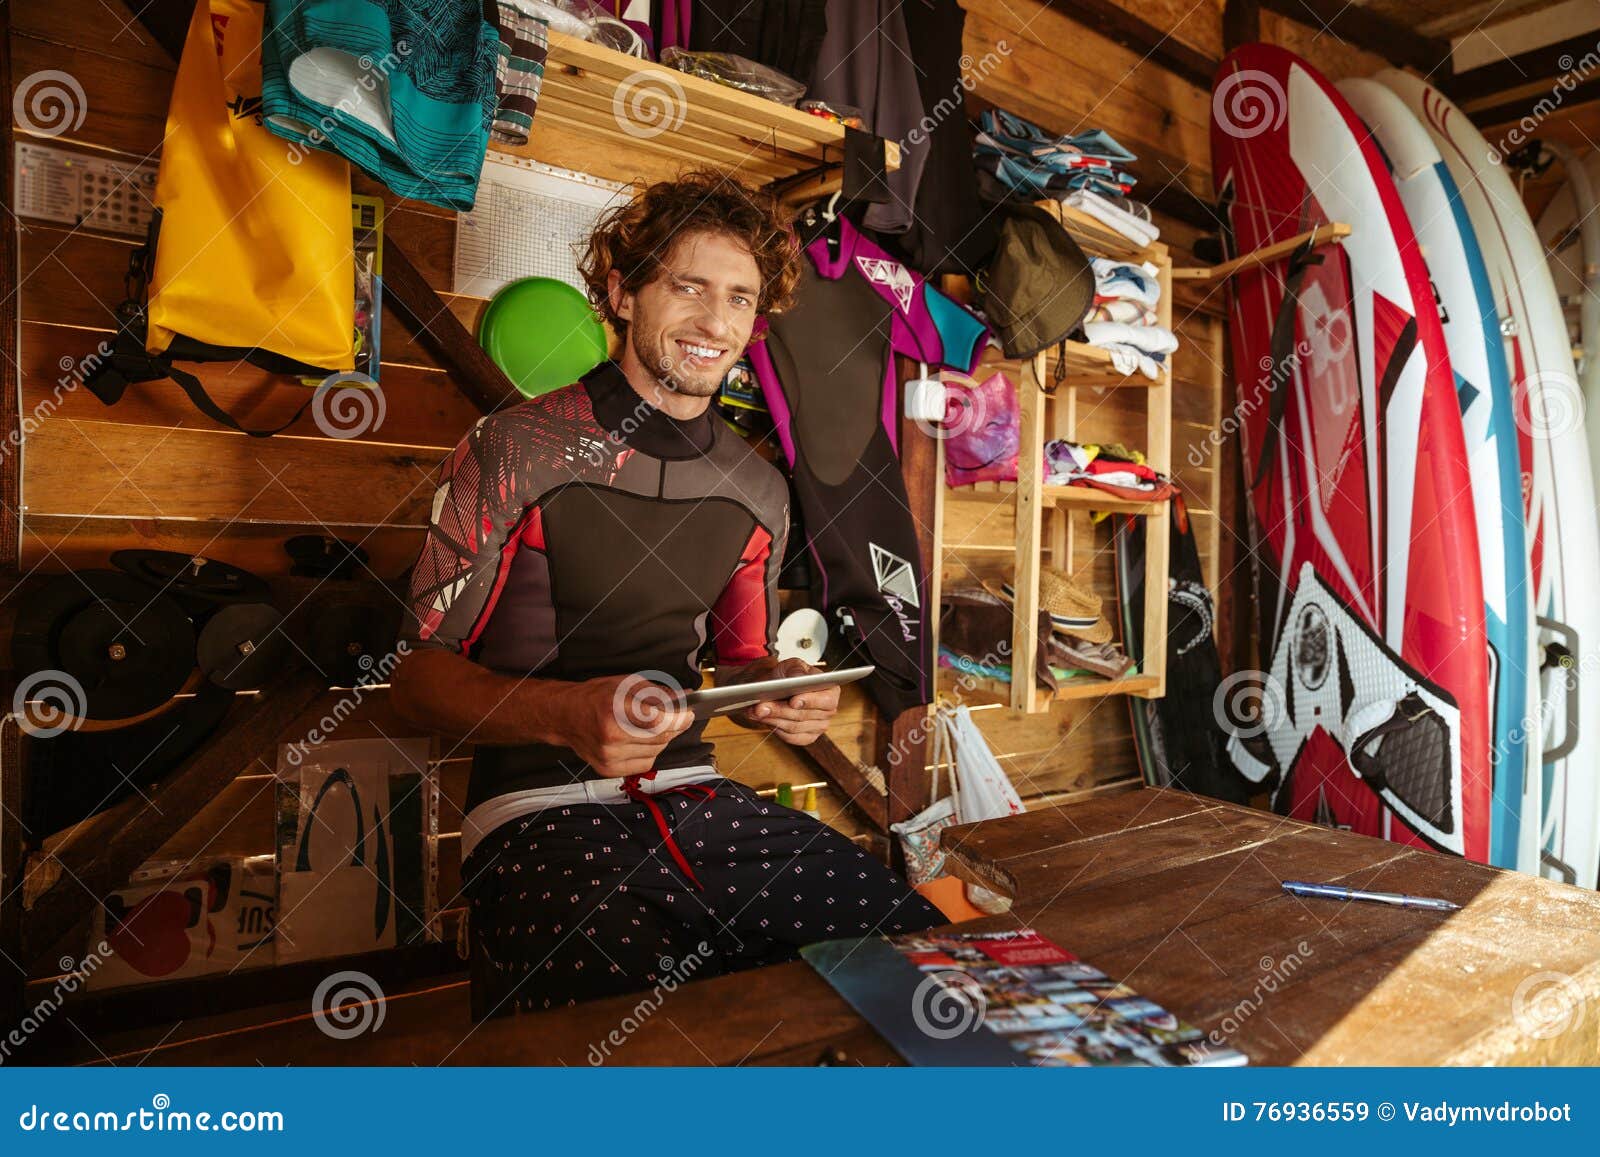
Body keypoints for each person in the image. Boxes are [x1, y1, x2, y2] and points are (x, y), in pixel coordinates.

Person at [391, 169, 943, 1020]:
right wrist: (567, 713)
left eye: (739, 299)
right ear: (621, 291)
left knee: (919, 960)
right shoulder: (514, 448)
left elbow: (740, 655)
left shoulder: (758, 488)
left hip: (702, 803)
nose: (715, 323)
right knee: (631, 1032)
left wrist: (782, 694)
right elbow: (414, 674)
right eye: (688, 287)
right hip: (536, 814)